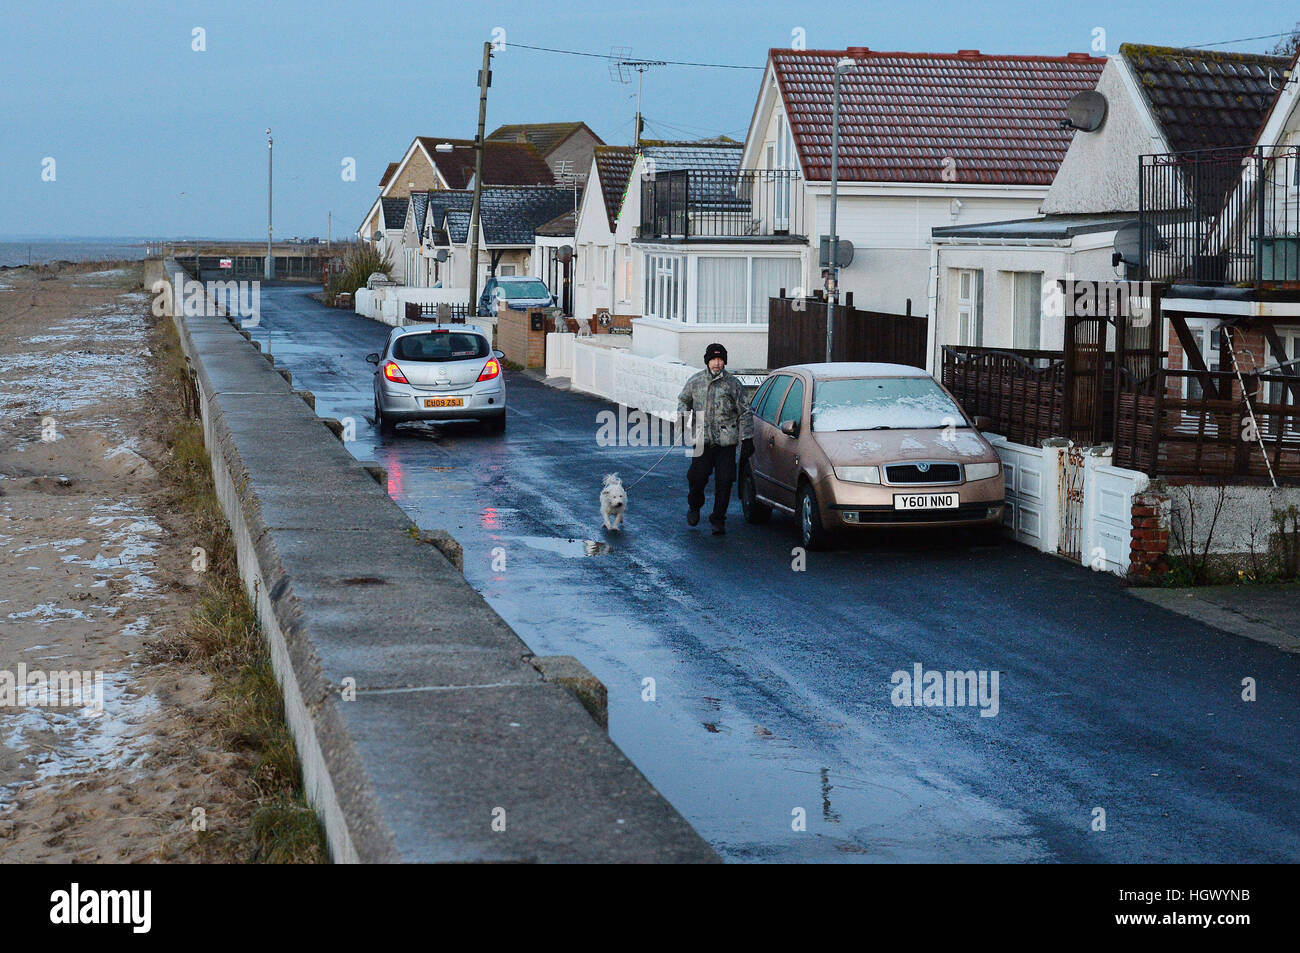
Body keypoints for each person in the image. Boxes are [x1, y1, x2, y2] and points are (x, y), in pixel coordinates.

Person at [677, 343, 754, 535]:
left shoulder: (733, 384)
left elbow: (745, 412)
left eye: (720, 360)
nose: (717, 363)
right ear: (707, 360)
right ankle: (695, 505)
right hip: (702, 440)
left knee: (725, 480)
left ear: (724, 362)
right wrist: (682, 419)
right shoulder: (695, 381)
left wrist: (747, 439)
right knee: (697, 477)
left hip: (726, 441)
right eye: (713, 359)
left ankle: (718, 518)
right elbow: (684, 400)